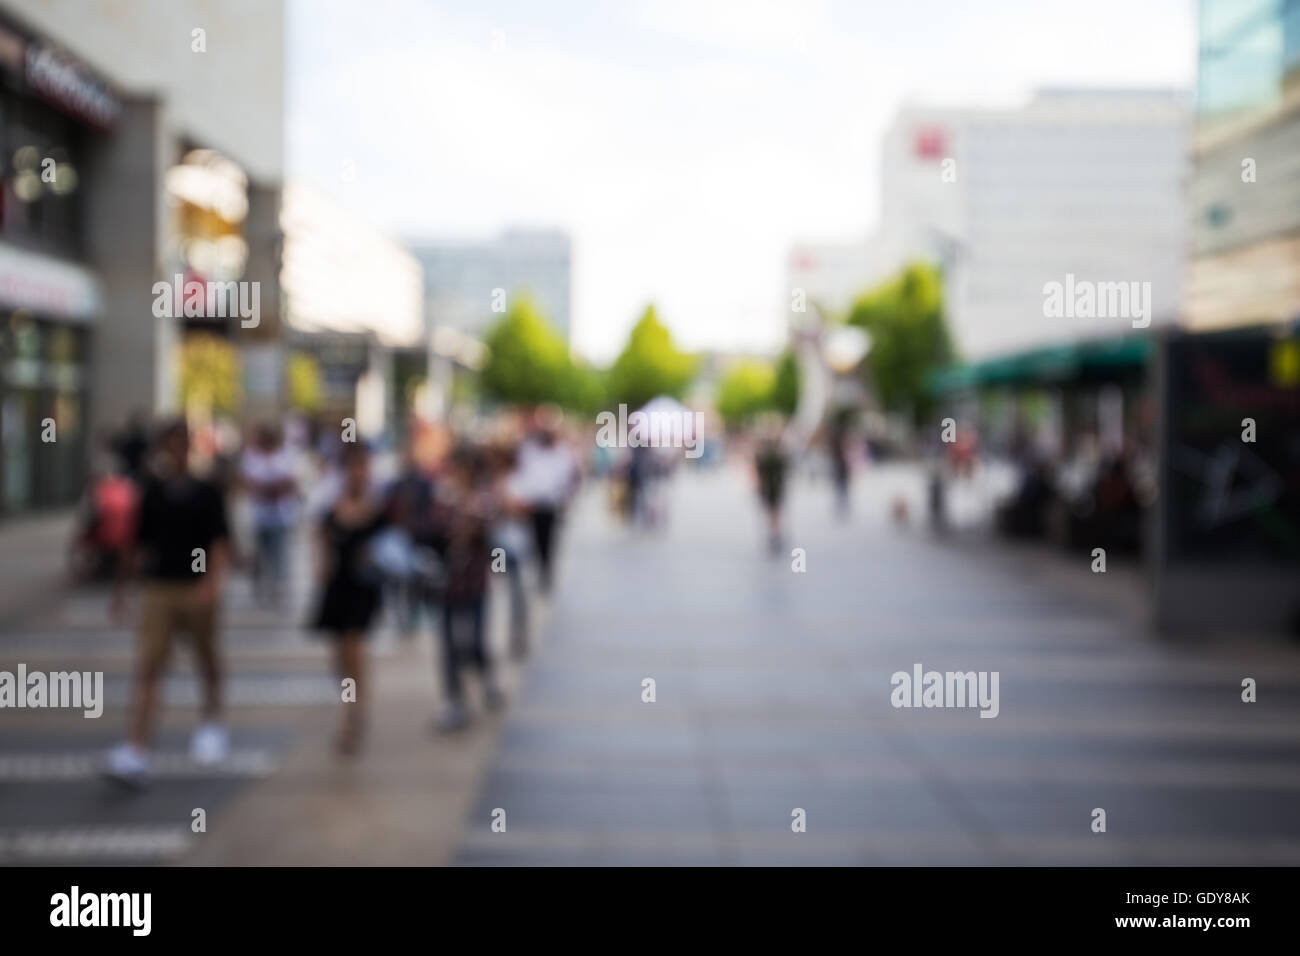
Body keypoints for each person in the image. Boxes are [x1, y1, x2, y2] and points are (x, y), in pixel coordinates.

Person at [105, 420, 231, 786]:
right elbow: (135, 543)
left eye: (182, 445)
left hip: (195, 587)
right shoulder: (152, 491)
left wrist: (211, 582)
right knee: (149, 667)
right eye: (171, 445)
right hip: (159, 586)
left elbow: (220, 542)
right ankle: (137, 746)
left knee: (206, 659)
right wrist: (121, 590)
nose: (176, 452)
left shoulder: (207, 491)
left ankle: (211, 724)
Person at [310, 442, 388, 755]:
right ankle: (351, 705)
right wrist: (321, 560)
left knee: (354, 650)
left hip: (362, 589)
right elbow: (320, 538)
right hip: (337, 587)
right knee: (338, 656)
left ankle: (353, 716)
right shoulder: (330, 506)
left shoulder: (377, 510)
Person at [430, 442, 503, 731]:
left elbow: (490, 535)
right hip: (447, 583)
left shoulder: (483, 500)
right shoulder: (443, 498)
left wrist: (471, 521)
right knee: (448, 644)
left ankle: (486, 677)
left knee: (474, 640)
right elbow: (432, 531)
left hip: (474, 582)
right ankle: (454, 700)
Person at [514, 410, 578, 592]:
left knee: (548, 540)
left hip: (550, 505)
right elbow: (524, 473)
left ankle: (546, 571)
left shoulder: (562, 452)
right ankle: (538, 569)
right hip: (531, 504)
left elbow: (566, 478)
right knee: (533, 539)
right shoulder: (529, 450)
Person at [240, 423, 299, 606]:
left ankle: (278, 585)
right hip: (259, 514)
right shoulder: (251, 457)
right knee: (259, 552)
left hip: (280, 513)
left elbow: (292, 482)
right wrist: (265, 489)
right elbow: (247, 482)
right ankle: (259, 583)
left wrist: (277, 489)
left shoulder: (285, 456)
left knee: (279, 551)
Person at [754, 420, 790, 554]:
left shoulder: (764, 456)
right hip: (774, 486)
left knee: (772, 511)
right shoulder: (777, 456)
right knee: (775, 511)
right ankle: (775, 533)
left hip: (772, 487)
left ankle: (774, 533)